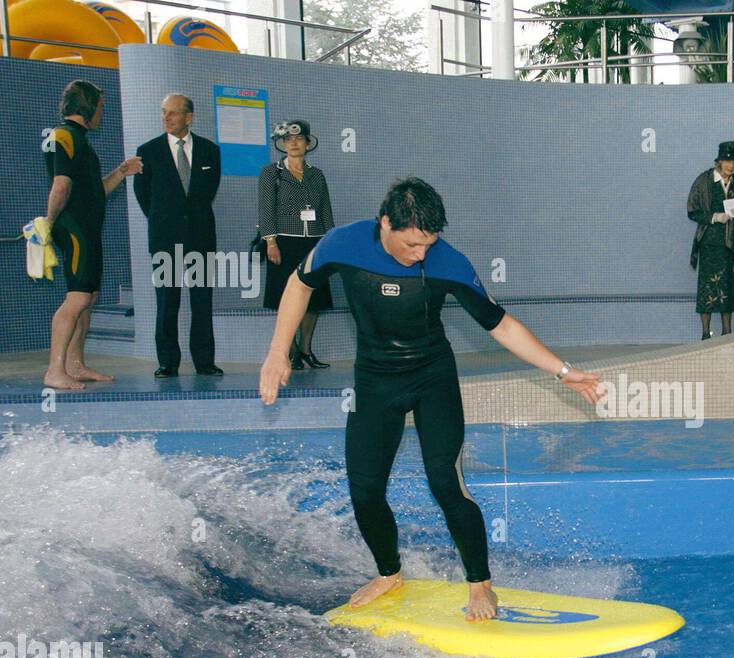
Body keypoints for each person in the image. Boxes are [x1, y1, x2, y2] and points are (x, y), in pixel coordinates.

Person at [258, 178, 602, 621]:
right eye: (413, 244)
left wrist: (564, 372)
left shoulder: (448, 262)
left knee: (445, 482)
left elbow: (501, 325)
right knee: (364, 490)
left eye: (429, 244)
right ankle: (388, 573)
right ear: (386, 223)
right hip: (374, 382)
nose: (421, 253)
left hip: (431, 378)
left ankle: (481, 585)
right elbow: (299, 283)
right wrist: (276, 352)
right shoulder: (342, 243)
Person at [37, 80, 142, 391]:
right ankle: (54, 370)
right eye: (101, 106)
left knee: (89, 298)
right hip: (74, 228)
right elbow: (61, 185)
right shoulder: (63, 136)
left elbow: (95, 190)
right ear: (87, 106)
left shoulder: (78, 139)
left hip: (86, 227)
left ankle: (75, 364)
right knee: (78, 297)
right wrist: (49, 222)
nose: (102, 112)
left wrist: (121, 173)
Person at [134, 94, 223, 377]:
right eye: (164, 113)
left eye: (173, 113)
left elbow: (208, 191)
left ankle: (204, 362)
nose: (166, 118)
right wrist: (164, 221)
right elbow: (143, 195)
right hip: (164, 238)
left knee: (201, 302)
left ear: (189, 117)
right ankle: (168, 362)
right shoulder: (147, 152)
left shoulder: (210, 151)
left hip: (200, 236)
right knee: (167, 301)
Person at [259, 120, 335, 369]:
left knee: (314, 298)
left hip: (314, 242)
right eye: (289, 140)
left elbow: (325, 210)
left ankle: (305, 350)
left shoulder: (317, 174)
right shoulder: (272, 173)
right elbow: (266, 210)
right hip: (284, 243)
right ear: (282, 144)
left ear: (307, 143)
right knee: (286, 297)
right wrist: (271, 242)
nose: (293, 143)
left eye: (299, 139)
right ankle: (290, 353)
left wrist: (329, 243)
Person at [687, 141, 734, 339]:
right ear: (719, 161)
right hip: (710, 244)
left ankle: (727, 332)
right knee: (708, 288)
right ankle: (706, 333)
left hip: (730, 245)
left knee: (728, 286)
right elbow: (692, 210)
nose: (731, 165)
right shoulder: (703, 181)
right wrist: (713, 217)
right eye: (728, 160)